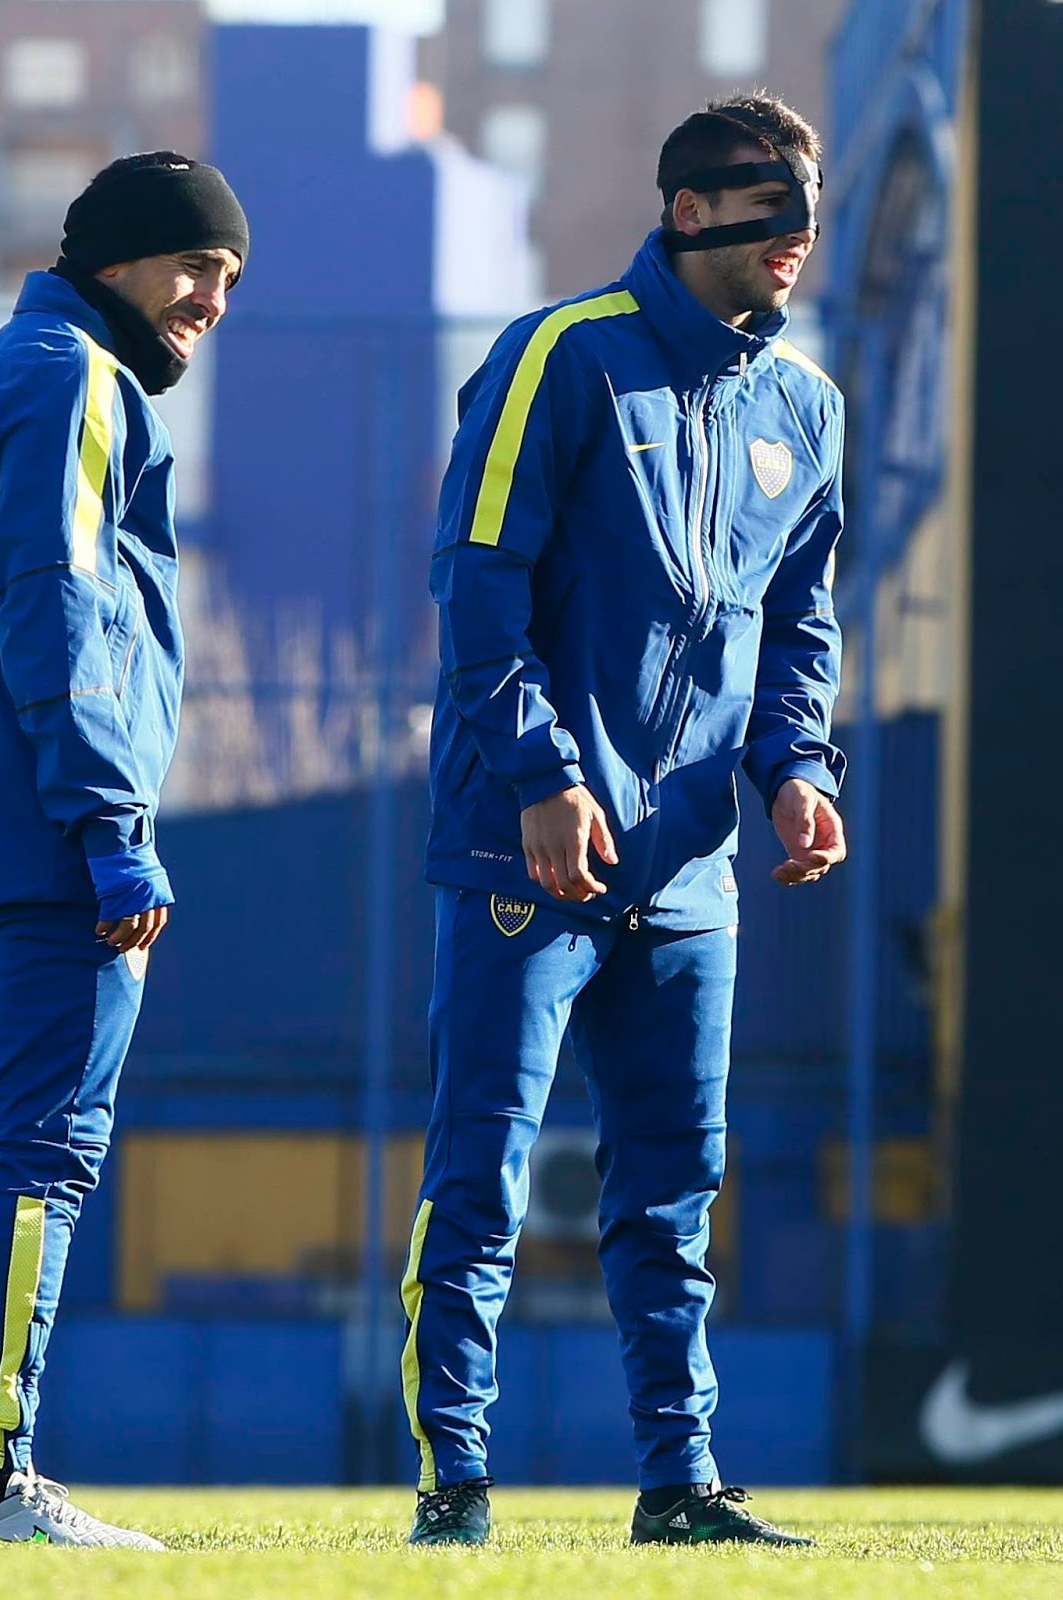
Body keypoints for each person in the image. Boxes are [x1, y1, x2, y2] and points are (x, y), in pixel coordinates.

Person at [400, 94, 846, 1547]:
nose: (794, 234)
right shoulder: (561, 354)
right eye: (764, 202)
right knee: (482, 1174)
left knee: (673, 1196)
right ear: (684, 209)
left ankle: (679, 1487)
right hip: (523, 847)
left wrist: (796, 767)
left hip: (686, 867)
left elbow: (800, 624)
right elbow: (474, 586)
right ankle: (453, 1491)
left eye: (806, 205)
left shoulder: (805, 407)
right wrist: (540, 777)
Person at [0, 152, 248, 1547]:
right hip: (51, 837)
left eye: (228, 279)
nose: (214, 300)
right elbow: (59, 600)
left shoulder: (0, 367)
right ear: (122, 253)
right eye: (200, 267)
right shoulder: (74, 381)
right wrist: (109, 824)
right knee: (39, 1155)